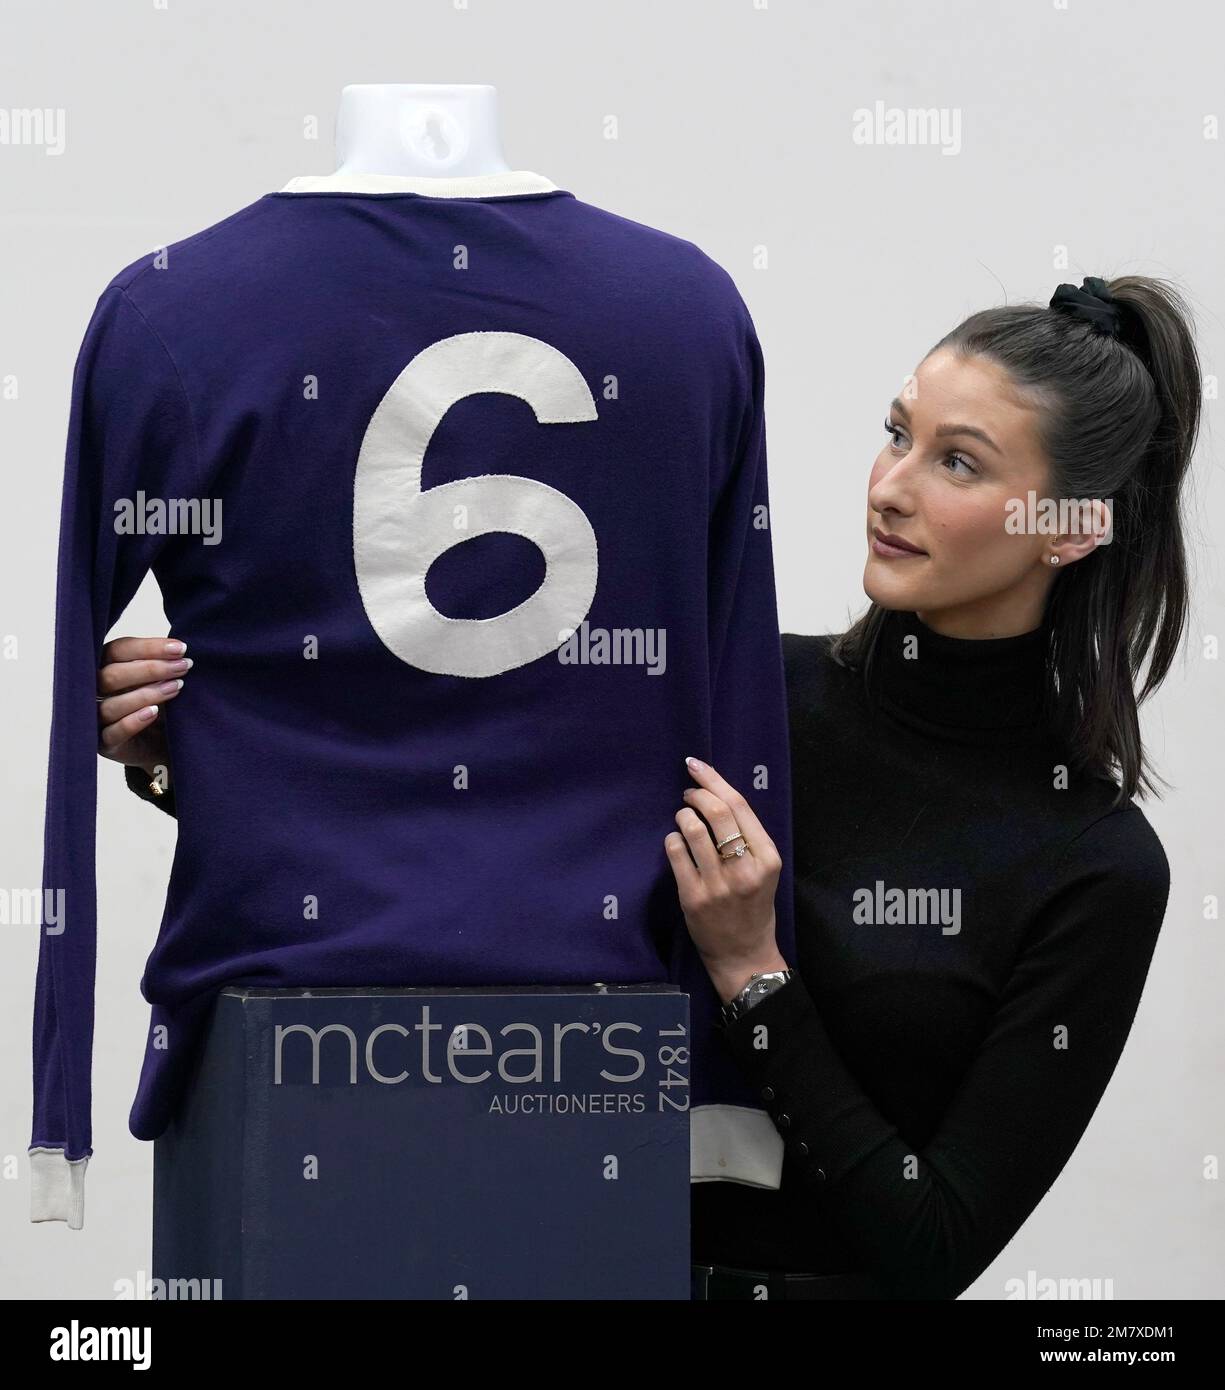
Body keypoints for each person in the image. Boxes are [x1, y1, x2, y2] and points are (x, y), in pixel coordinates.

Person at [98, 274, 1197, 1301]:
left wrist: (754, 976)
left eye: (959, 463)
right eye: (897, 434)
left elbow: (931, 1249)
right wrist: (197, 758)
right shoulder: (744, 693)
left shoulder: (1091, 862)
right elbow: (475, 847)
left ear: (1070, 528)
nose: (891, 487)